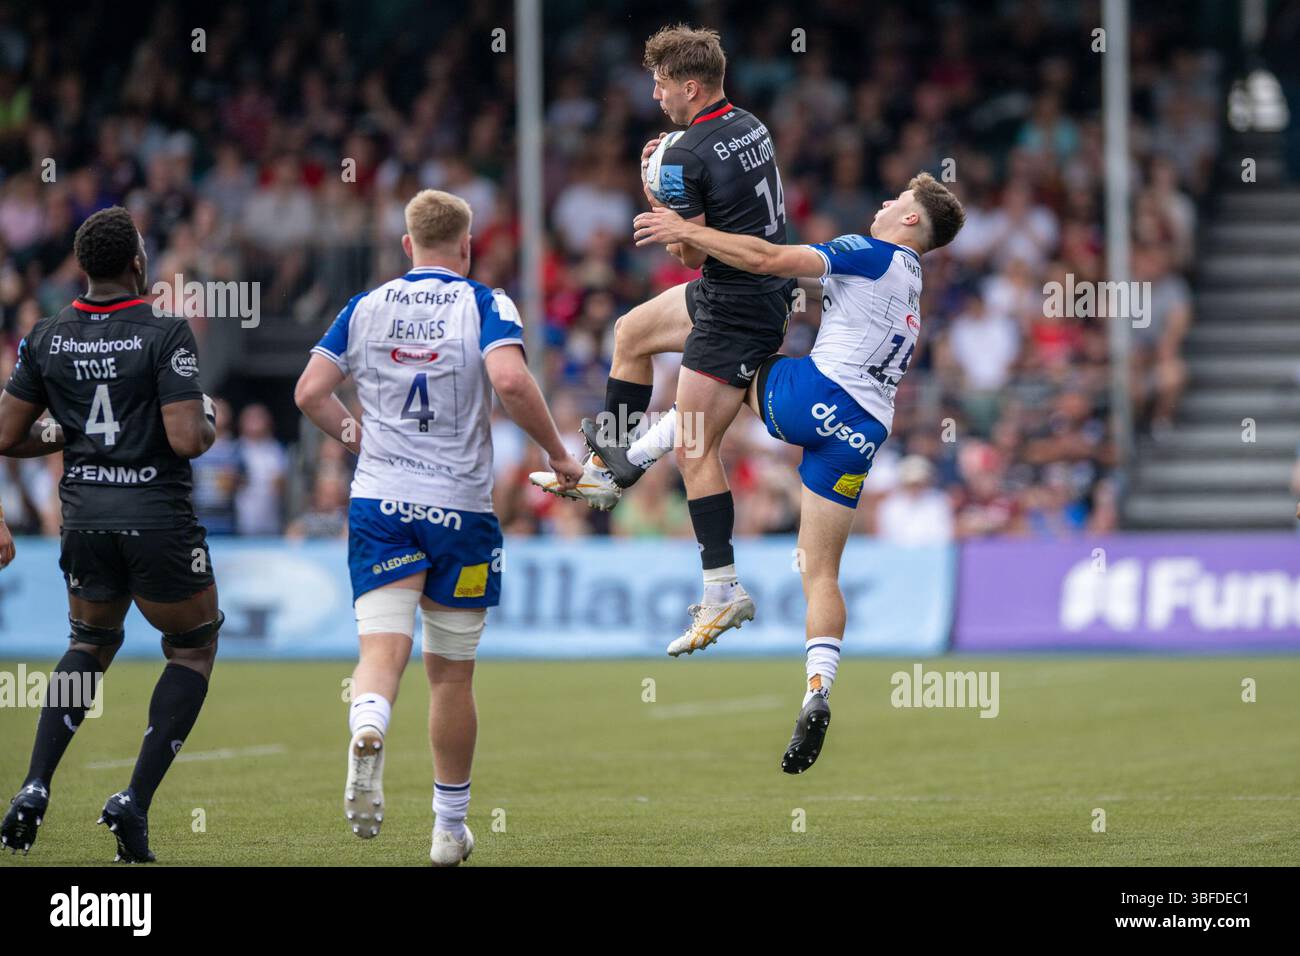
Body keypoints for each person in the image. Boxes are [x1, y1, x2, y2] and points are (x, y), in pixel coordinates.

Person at [627, 171, 965, 772]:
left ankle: (634, 458)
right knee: (821, 573)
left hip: (816, 396)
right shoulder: (911, 285)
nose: (884, 203)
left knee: (728, 356)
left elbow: (766, 258)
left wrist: (684, 227)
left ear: (911, 220)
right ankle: (817, 690)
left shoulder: (869, 250)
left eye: (897, 201)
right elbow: (805, 284)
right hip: (862, 433)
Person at [294, 188, 582, 866]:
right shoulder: (485, 303)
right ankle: (448, 829)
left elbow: (309, 391)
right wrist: (558, 454)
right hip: (461, 510)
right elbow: (510, 383)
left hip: (380, 503)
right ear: (468, 243)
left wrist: (355, 434)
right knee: (451, 677)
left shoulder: (364, 308)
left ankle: (368, 722)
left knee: (381, 650)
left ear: (406, 246)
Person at [531, 24, 796, 657]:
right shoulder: (749, 124)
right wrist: (670, 169)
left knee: (697, 449)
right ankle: (608, 467)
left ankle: (723, 589)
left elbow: (681, 249)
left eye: (660, 83)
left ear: (691, 85)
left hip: (737, 307)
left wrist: (655, 185)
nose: (654, 95)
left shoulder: (683, 156)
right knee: (631, 332)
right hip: (741, 288)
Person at [0, 206, 221, 860]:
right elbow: (186, 437)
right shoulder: (166, 331)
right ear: (138, 263)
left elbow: (7, 435)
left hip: (85, 521)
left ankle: (36, 784)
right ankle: (133, 801)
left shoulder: (46, 336)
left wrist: (70, 433)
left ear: (80, 267)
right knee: (190, 649)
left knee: (89, 643)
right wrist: (206, 419)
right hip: (156, 520)